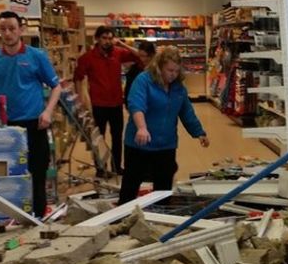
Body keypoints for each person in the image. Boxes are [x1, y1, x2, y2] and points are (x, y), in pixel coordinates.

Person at [0, 11, 62, 218]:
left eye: (12, 28)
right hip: (4, 127)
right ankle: (7, 217)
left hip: (35, 124)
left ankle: (39, 217)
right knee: (4, 174)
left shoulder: (37, 56)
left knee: (38, 172)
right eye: (3, 29)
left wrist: (48, 111)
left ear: (21, 30)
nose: (7, 33)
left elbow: (56, 86)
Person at [119, 46, 210, 204]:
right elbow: (136, 104)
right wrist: (142, 127)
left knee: (163, 186)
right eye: (169, 70)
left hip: (165, 145)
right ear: (159, 67)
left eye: (176, 71)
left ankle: (161, 216)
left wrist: (199, 132)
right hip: (140, 144)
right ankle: (121, 216)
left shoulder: (178, 87)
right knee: (131, 182)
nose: (173, 75)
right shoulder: (144, 80)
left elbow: (186, 111)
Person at [74, 26, 141, 175]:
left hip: (116, 103)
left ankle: (117, 167)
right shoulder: (88, 57)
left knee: (117, 138)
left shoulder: (118, 53)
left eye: (110, 38)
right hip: (98, 105)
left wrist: (122, 44)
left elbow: (139, 56)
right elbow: (78, 78)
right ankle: (100, 168)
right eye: (104, 38)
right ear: (97, 39)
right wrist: (80, 100)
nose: (107, 41)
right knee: (99, 139)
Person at [124, 40, 156, 108]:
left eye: (147, 56)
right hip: (138, 106)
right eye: (141, 56)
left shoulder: (158, 70)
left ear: (152, 55)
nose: (143, 59)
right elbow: (128, 89)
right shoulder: (134, 69)